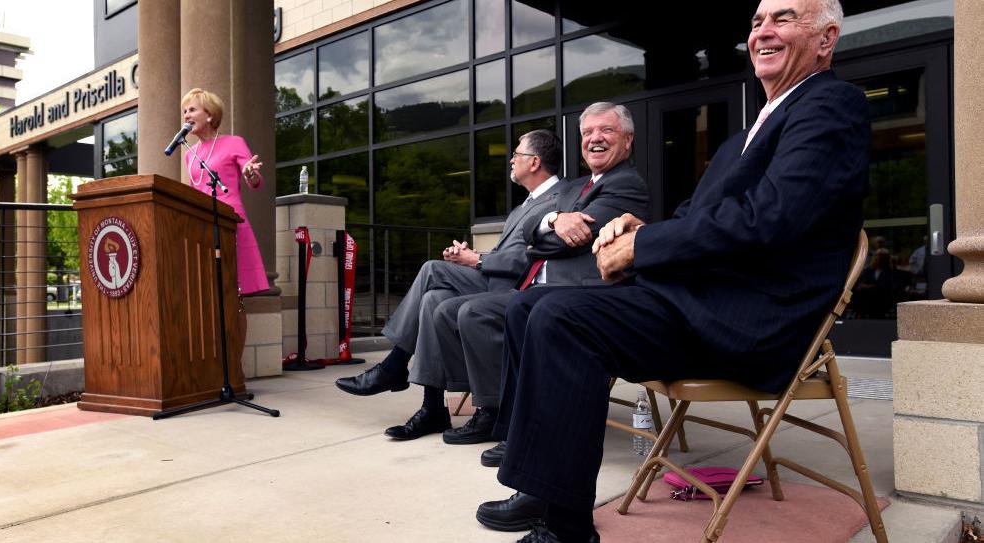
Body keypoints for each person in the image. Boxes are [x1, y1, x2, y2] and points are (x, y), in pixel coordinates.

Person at [477, 1, 871, 541]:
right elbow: (695, 219)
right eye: (757, 22)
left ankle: (565, 527)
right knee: (529, 305)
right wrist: (639, 229)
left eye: (783, 18)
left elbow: (771, 218)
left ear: (825, 40)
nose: (763, 32)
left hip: (748, 318)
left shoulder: (831, 106)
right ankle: (541, 487)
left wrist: (642, 247)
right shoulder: (745, 137)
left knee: (562, 320)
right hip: (698, 303)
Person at [392, 107, 649, 445]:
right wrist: (553, 219)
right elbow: (535, 230)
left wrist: (540, 236)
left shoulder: (625, 184)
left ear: (627, 140)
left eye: (606, 130)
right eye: (587, 132)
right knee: (439, 302)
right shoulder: (577, 187)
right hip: (537, 285)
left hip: (574, 292)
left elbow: (565, 241)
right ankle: (444, 401)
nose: (594, 138)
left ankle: (496, 411)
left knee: (469, 309)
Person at [333, 132, 566, 436]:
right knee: (434, 298)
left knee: (431, 269)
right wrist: (469, 257)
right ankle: (432, 408)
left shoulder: (559, 201)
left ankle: (393, 365)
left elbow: (534, 258)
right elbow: (505, 254)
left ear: (534, 162)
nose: (511, 160)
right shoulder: (523, 206)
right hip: (493, 278)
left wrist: (477, 260)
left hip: (515, 289)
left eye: (516, 154)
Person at [181, 88, 270, 364]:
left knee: (233, 297)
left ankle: (234, 367)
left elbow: (254, 181)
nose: (186, 115)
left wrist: (251, 174)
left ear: (209, 115)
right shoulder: (190, 153)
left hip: (231, 225)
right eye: (184, 111)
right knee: (208, 297)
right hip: (202, 228)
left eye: (192, 109)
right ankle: (212, 366)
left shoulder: (234, 143)